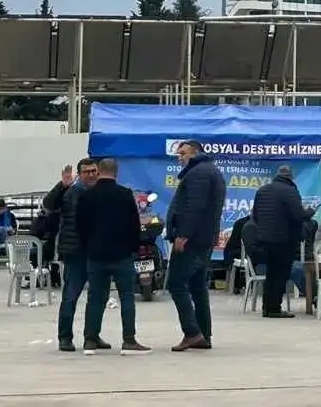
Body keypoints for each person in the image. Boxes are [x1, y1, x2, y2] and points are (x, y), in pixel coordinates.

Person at [76, 158, 149, 355]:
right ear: (116, 172)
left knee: (95, 298)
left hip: (96, 254)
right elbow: (135, 225)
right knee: (126, 297)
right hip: (121, 254)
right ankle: (129, 340)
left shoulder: (87, 195)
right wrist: (133, 248)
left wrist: (88, 247)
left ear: (98, 171)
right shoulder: (125, 194)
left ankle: (90, 340)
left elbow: (80, 226)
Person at [165, 140, 226, 351]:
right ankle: (203, 334)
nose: (179, 157)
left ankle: (192, 332)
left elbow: (194, 207)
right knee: (198, 288)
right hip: (204, 239)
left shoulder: (198, 173)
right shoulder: (210, 171)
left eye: (183, 153)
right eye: (178, 154)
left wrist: (183, 235)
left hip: (192, 241)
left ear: (196, 152)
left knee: (176, 284)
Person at [251, 165, 306, 319]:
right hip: (284, 239)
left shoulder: (262, 190)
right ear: (290, 178)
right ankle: (274, 308)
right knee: (281, 274)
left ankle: (266, 308)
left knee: (270, 273)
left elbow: (255, 215)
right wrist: (310, 212)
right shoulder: (290, 191)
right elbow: (298, 215)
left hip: (265, 239)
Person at [55, 158, 99, 352]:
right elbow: (49, 205)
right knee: (71, 296)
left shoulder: (97, 192)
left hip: (95, 252)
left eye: (94, 171)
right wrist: (62, 186)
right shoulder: (73, 192)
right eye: (87, 172)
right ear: (79, 175)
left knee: (96, 297)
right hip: (75, 252)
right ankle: (65, 337)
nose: (91, 174)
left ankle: (93, 335)